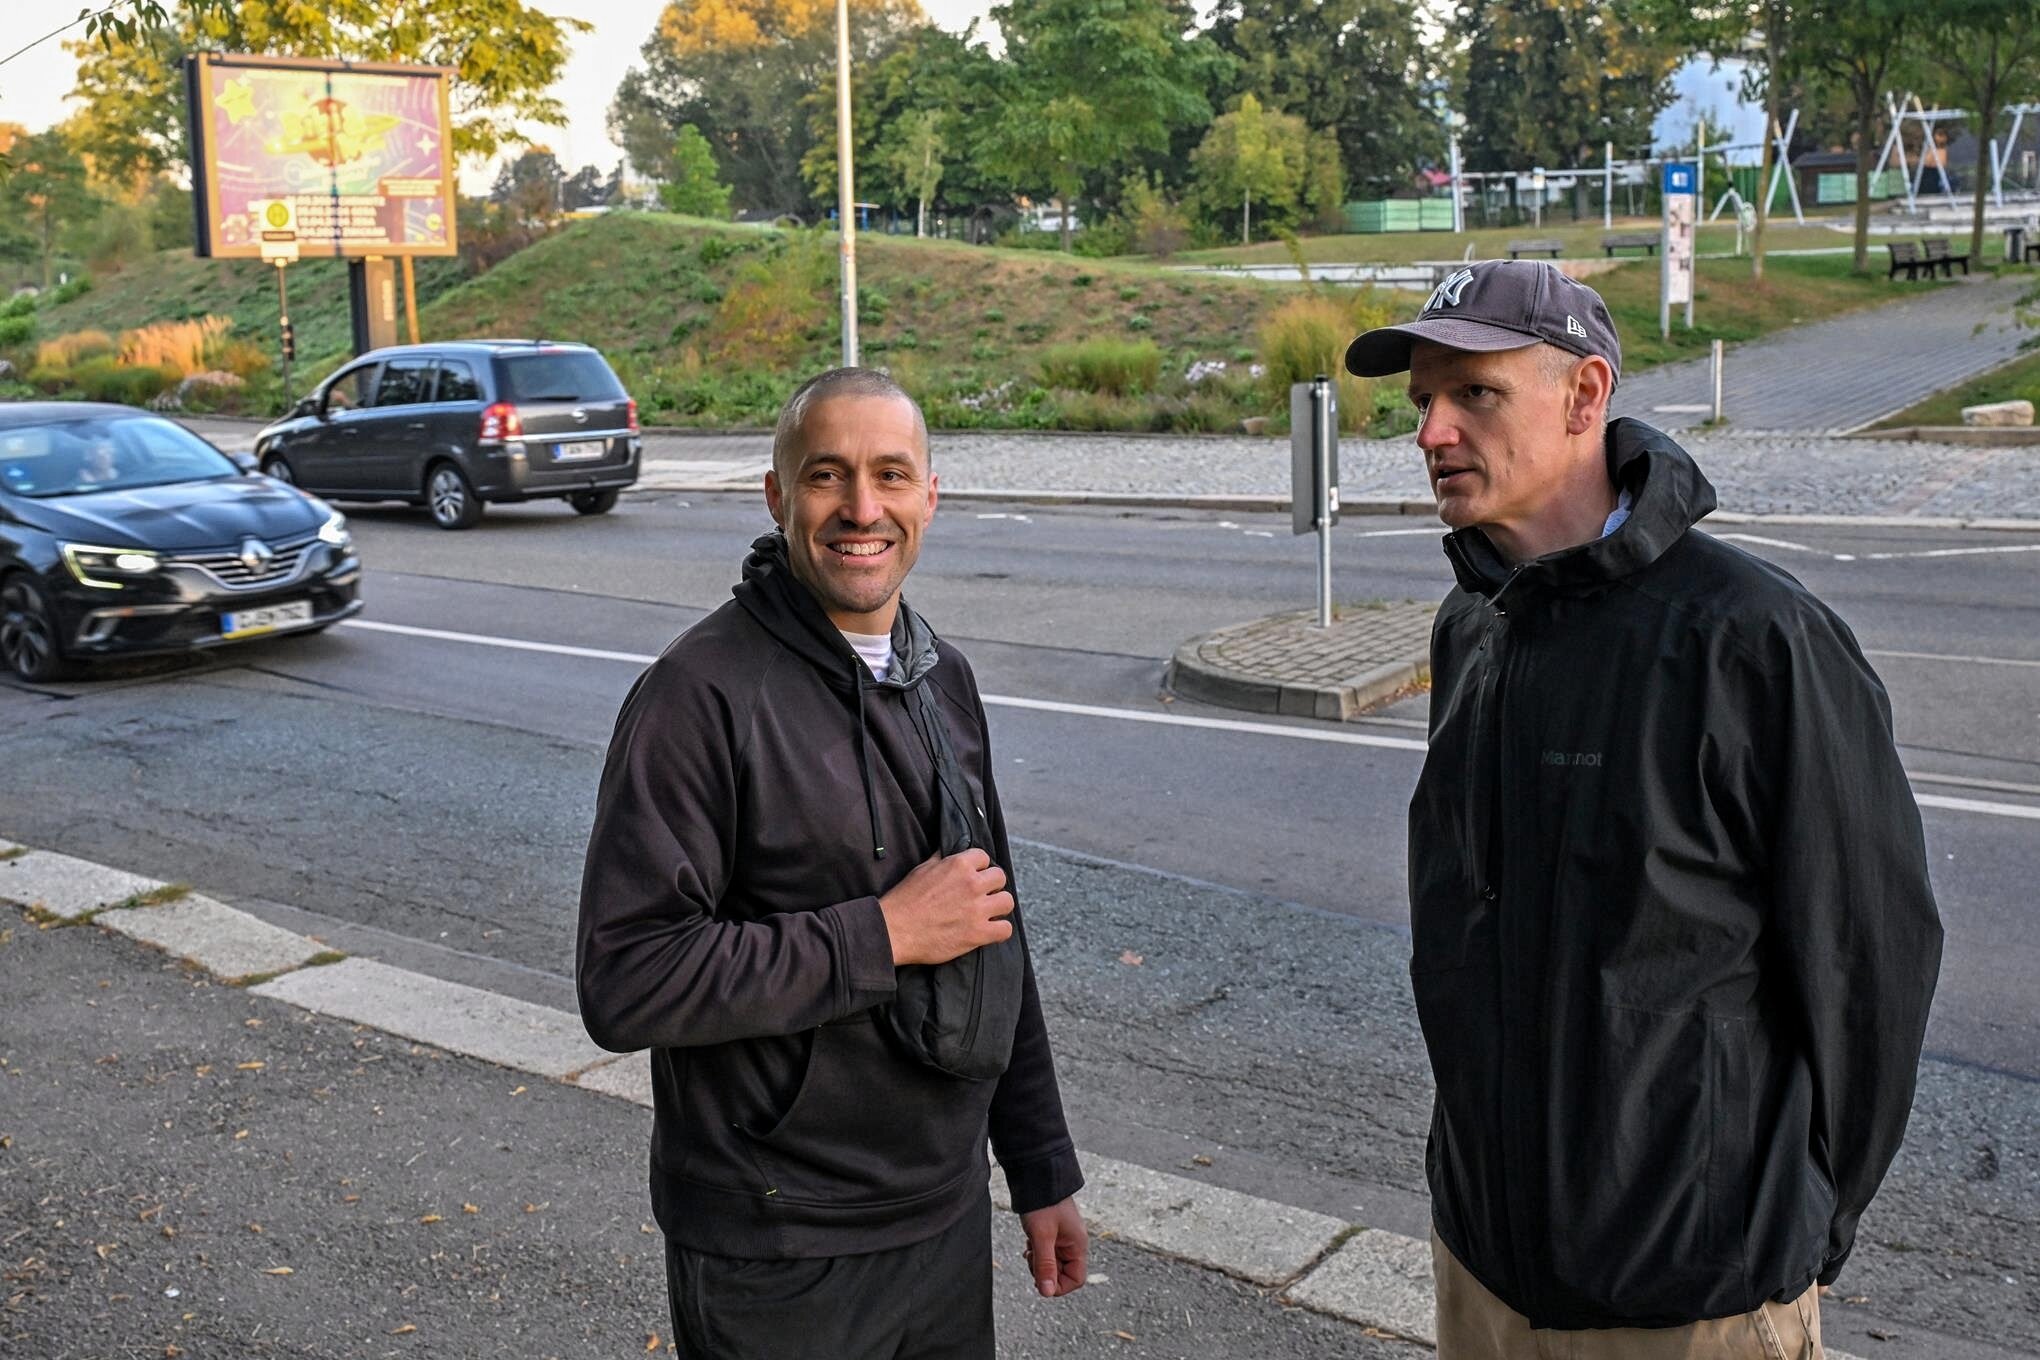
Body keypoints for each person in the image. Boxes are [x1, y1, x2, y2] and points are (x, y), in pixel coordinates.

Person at [1346, 261, 1943, 1358]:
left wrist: (1796, 1229)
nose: (1431, 431)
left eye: (1473, 394)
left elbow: (1869, 970)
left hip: (1692, 1300)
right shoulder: (1472, 630)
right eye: (1421, 400)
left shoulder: (1756, 640)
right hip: (1483, 1271)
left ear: (1585, 398)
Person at [577, 367, 1086, 1360]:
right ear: (777, 496)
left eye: (892, 475)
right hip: (776, 1250)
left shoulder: (944, 677)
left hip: (940, 1225)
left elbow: (991, 932)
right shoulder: (695, 696)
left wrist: (1039, 1163)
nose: (863, 508)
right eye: (828, 477)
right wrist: (884, 933)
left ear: (930, 496)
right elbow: (626, 981)